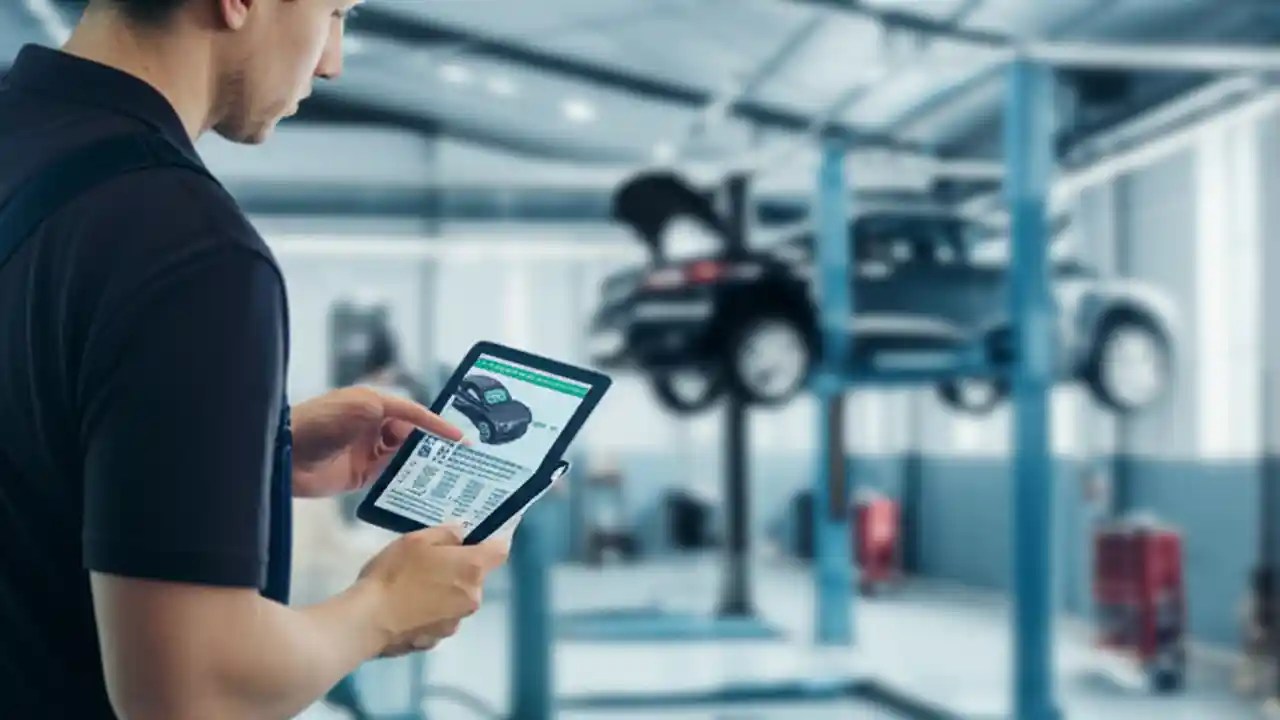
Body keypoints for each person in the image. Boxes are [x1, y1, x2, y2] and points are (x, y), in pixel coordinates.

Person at [0, 2, 509, 719]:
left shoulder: (23, 145)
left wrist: (248, 453)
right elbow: (194, 695)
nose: (332, 62)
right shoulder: (189, 245)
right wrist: (384, 607)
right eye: (333, 12)